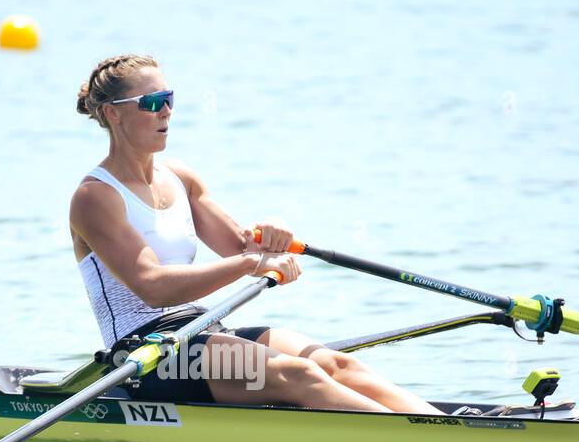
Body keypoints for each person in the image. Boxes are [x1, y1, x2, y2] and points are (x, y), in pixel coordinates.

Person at [70, 54, 434, 413]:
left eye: (169, 99)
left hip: (202, 332)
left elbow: (240, 246)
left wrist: (271, 232)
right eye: (151, 103)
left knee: (335, 364)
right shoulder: (96, 197)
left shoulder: (180, 178)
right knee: (299, 372)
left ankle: (441, 425)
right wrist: (250, 263)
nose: (166, 111)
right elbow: (153, 286)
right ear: (113, 113)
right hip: (144, 356)